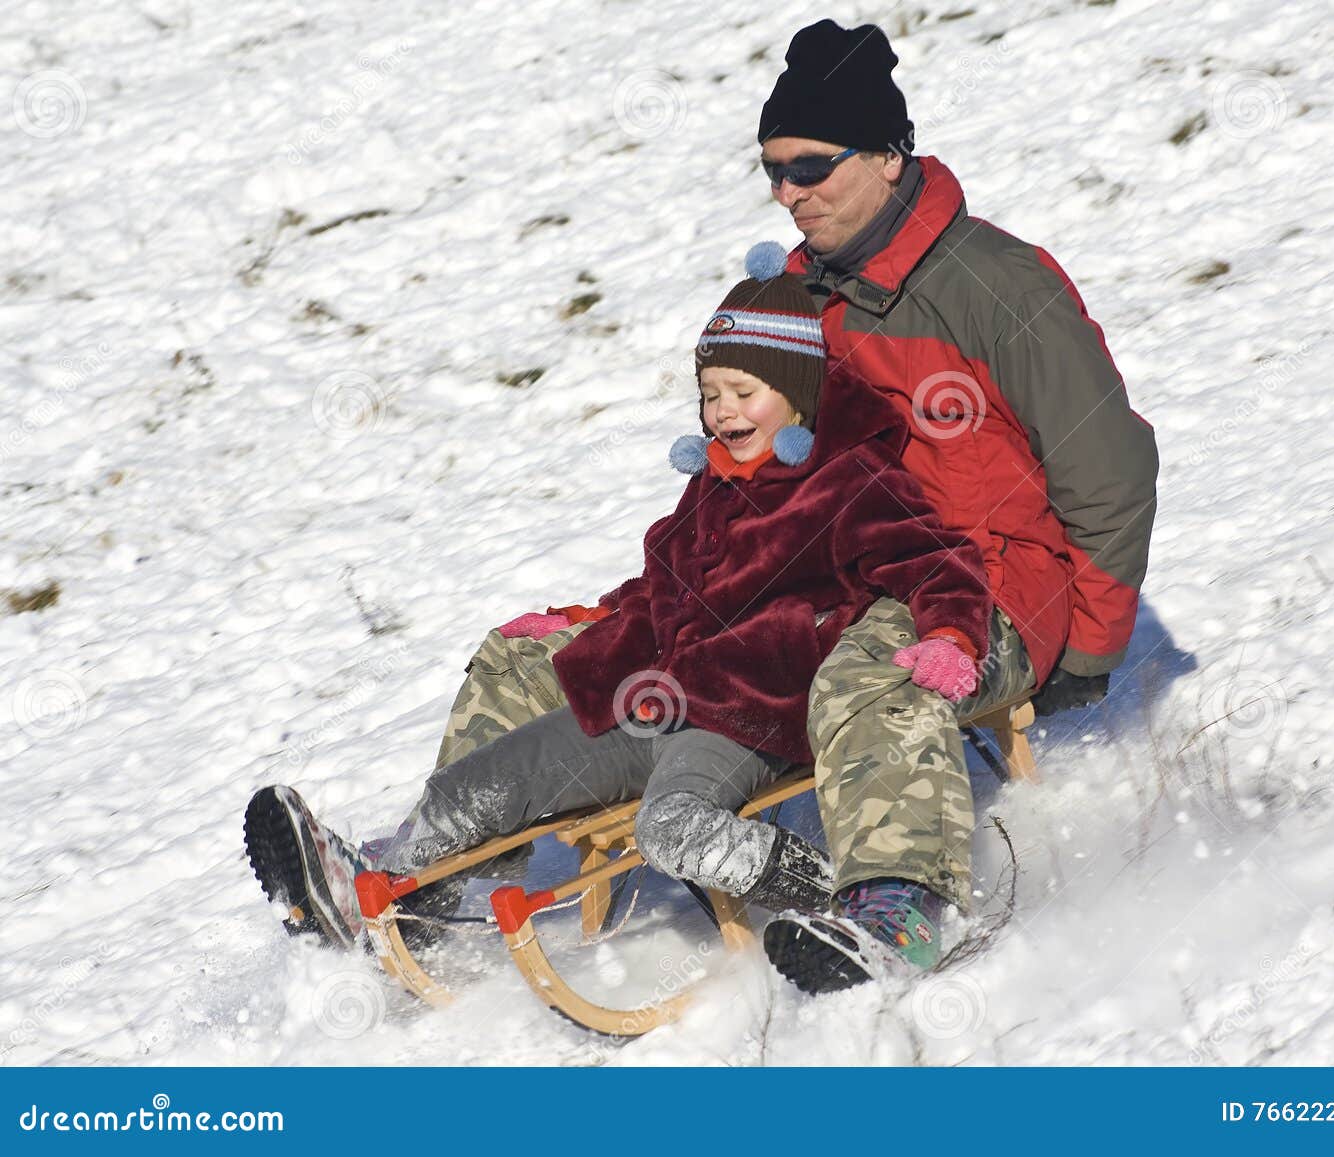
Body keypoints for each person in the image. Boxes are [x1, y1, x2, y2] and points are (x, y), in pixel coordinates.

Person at [429, 22, 1159, 992]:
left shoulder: (994, 286)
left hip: (971, 588)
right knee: (531, 653)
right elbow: (745, 476)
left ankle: (897, 906)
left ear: (887, 155)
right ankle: (441, 883)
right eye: (773, 168)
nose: (787, 189)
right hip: (804, 587)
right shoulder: (791, 301)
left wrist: (1087, 649)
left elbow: (1108, 466)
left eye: (810, 164)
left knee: (876, 670)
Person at [244, 246, 995, 957]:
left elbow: (937, 559)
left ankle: (834, 901)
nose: (724, 412)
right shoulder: (712, 487)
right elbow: (659, 590)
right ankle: (381, 888)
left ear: (796, 394)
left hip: (746, 718)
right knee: (480, 781)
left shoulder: (847, 483)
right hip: (653, 700)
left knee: (673, 826)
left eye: (744, 392)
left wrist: (952, 635)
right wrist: (587, 622)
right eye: (710, 395)